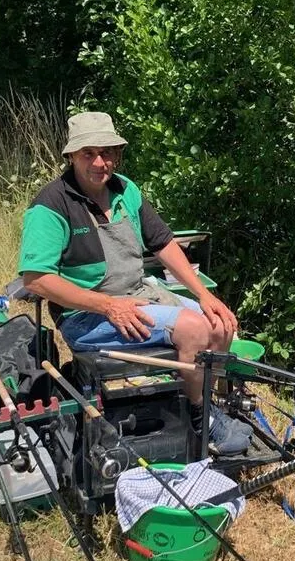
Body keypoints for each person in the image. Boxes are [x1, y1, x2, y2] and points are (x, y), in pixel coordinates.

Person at [18, 112, 251, 454]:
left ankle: (200, 406)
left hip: (138, 295)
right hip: (87, 315)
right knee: (193, 330)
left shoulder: (125, 189)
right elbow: (36, 280)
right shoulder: (51, 205)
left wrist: (204, 295)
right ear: (71, 156)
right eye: (89, 154)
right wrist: (108, 306)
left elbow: (163, 242)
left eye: (109, 152)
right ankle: (203, 423)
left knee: (221, 324)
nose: (101, 162)